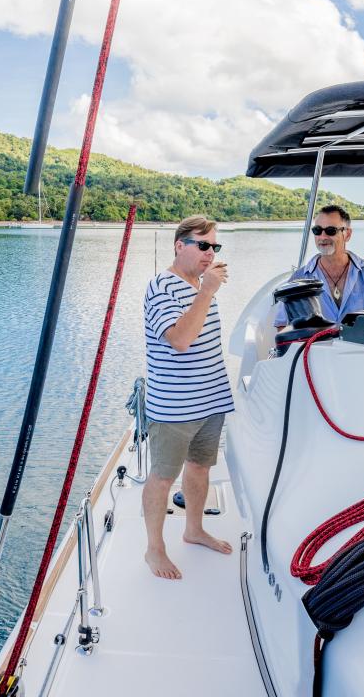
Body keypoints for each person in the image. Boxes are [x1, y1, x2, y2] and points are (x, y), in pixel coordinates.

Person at [141, 215, 236, 579]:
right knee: (163, 476)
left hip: (210, 400)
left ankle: (193, 529)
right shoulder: (161, 287)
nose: (210, 253)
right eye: (203, 245)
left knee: (200, 467)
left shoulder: (198, 284)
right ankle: (154, 550)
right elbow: (180, 340)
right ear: (180, 245)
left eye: (215, 247)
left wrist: (203, 288)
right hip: (175, 406)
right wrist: (208, 291)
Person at [276, 205, 364, 330]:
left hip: (363, 354)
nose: (322, 236)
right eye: (317, 230)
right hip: (316, 356)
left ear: (347, 234)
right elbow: (283, 327)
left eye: (331, 230)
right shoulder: (298, 279)